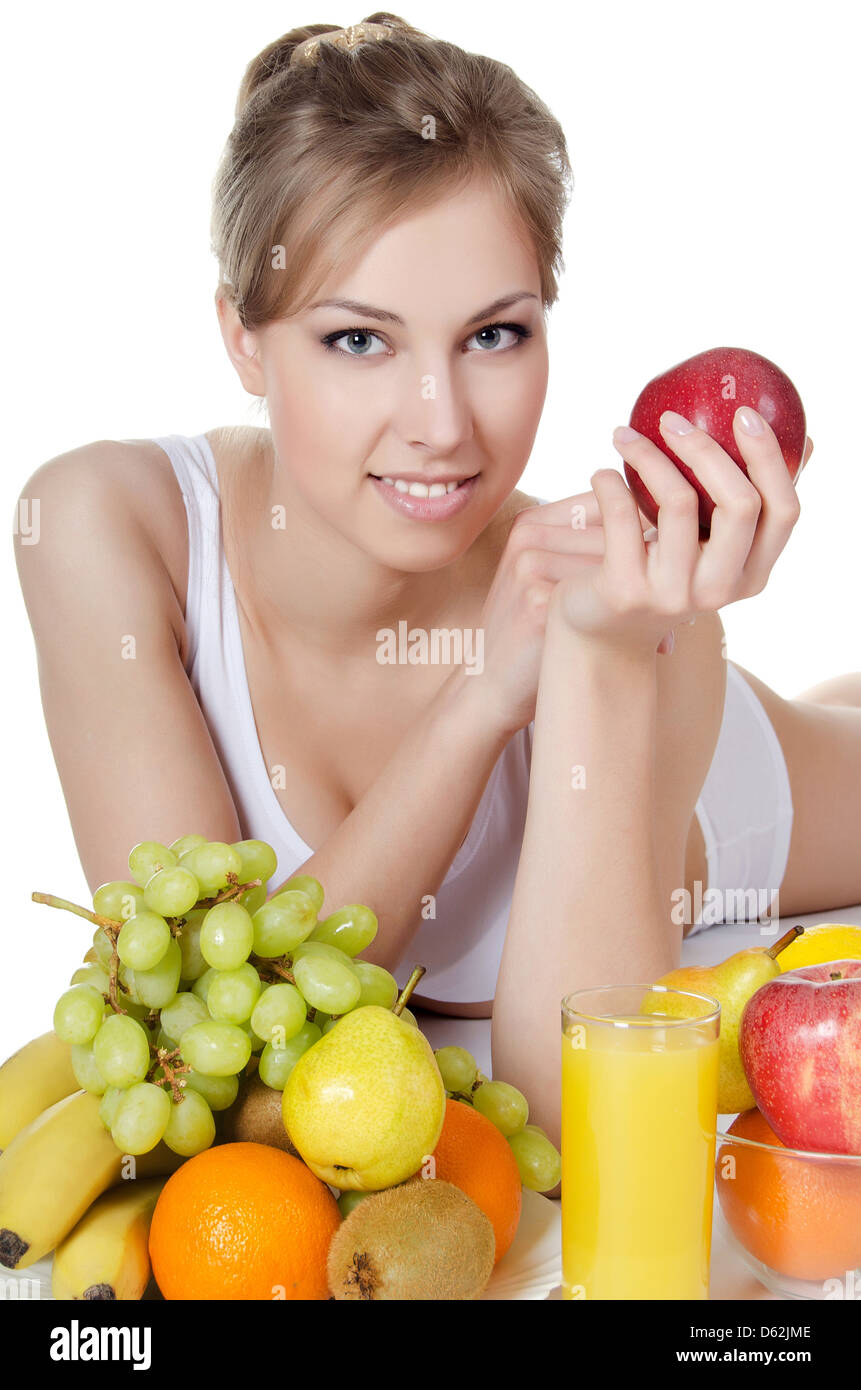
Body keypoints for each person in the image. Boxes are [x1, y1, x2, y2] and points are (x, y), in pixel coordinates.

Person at [14, 14, 861, 1146]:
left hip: (718, 782)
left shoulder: (614, 609)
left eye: (494, 336)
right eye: (360, 341)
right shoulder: (101, 523)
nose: (442, 425)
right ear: (244, 337)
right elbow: (198, 1008)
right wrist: (480, 703)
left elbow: (575, 1120)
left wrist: (600, 655)